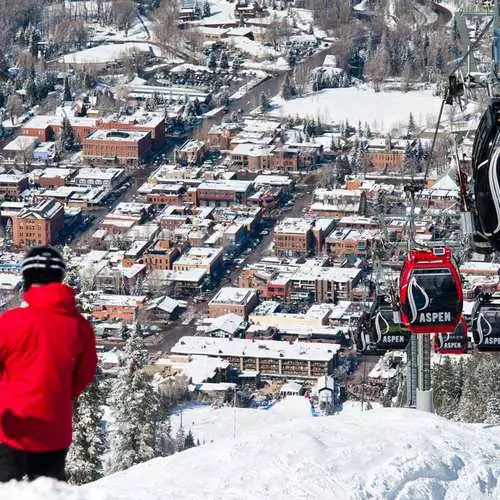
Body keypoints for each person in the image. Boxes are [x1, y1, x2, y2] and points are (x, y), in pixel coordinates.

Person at [0, 246, 97, 482]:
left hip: (12, 426)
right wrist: (59, 393)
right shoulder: (79, 327)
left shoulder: (10, 323)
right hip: (54, 428)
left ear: (27, 278)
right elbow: (85, 374)